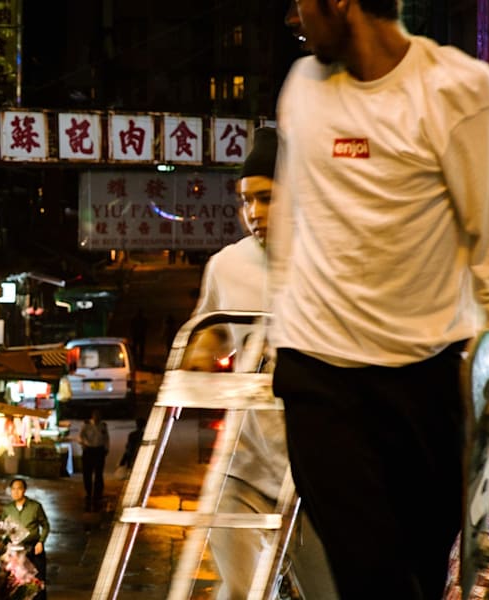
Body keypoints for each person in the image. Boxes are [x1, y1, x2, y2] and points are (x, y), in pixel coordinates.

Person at [269, 1, 489, 597]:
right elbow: (290, 221)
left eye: (302, 4)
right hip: (318, 375)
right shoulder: (302, 88)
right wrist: (281, 328)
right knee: (372, 576)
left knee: (419, 567)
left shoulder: (458, 92)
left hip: (423, 380)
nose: (294, 17)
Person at [192, 127, 337, 599]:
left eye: (266, 198)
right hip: (245, 465)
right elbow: (212, 331)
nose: (252, 213)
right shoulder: (226, 266)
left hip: (318, 472)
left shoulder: (334, 263)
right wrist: (201, 350)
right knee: (239, 590)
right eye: (245, 200)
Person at [1, 477, 50, 600]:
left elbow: (45, 525)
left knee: (37, 581)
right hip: (16, 551)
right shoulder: (7, 509)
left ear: (24, 490)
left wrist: (41, 542)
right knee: (18, 582)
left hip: (33, 549)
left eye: (19, 489)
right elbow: (3, 528)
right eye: (13, 489)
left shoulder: (35, 507)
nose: (16, 492)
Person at [77, 409, 109, 511]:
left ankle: (97, 494)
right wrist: (83, 444)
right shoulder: (86, 425)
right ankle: (88, 492)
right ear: (92, 416)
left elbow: (106, 438)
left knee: (99, 473)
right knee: (87, 473)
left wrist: (106, 449)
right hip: (89, 450)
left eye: (99, 416)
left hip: (99, 451)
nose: (97, 418)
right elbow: (80, 436)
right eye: (95, 416)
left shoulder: (103, 426)